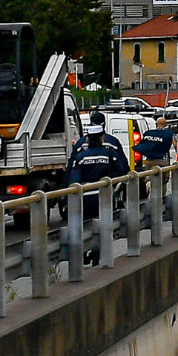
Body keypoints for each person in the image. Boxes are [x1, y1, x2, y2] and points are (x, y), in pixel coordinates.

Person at [65, 112, 132, 265]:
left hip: (84, 197)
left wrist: (67, 194)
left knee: (83, 225)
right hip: (105, 196)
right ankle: (96, 256)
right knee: (103, 227)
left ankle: (83, 251)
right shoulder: (111, 147)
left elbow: (72, 174)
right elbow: (123, 170)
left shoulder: (81, 150)